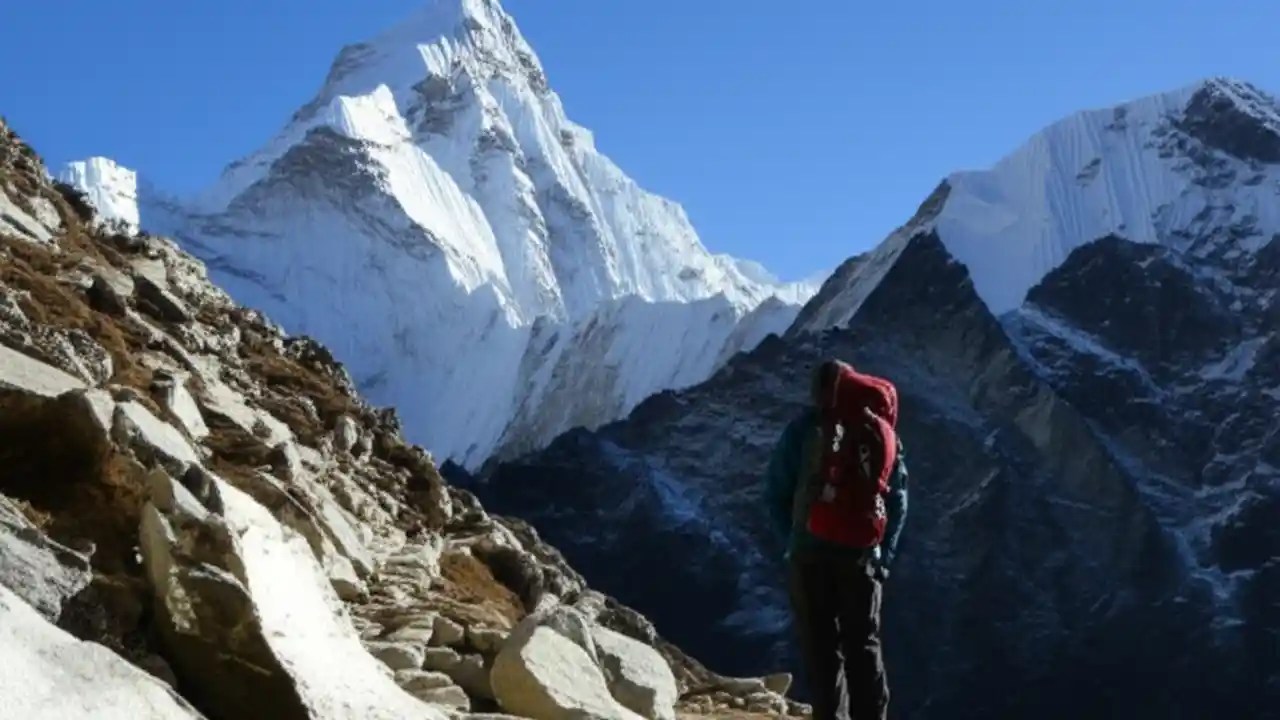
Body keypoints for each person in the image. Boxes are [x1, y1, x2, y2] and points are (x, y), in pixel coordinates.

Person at [765, 359, 909, 720]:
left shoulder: (801, 431)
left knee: (822, 652)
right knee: (864, 646)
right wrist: (883, 556)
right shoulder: (880, 434)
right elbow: (898, 499)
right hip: (861, 557)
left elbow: (774, 493)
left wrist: (794, 543)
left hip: (808, 557)